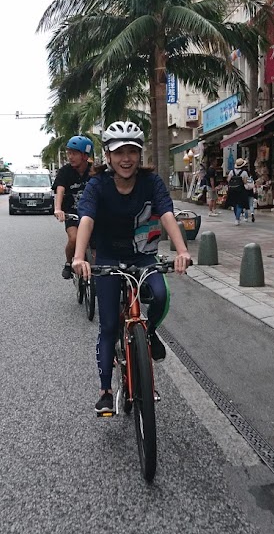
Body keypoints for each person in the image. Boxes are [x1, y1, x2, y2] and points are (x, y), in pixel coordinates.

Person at [72, 121, 192, 416]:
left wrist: (182, 251)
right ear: (108, 157)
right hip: (109, 259)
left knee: (161, 296)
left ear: (140, 155)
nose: (126, 158)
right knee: (110, 325)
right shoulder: (97, 185)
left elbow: (166, 213)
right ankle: (105, 390)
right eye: (119, 152)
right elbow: (86, 219)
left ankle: (148, 334)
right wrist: (79, 257)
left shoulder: (151, 182)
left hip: (143, 256)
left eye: (133, 151)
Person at [53, 134, 95, 279]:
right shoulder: (65, 171)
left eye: (74, 153)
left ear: (85, 155)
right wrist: (58, 209)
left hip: (92, 213)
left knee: (99, 243)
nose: (70, 157)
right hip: (72, 212)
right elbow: (60, 189)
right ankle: (68, 263)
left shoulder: (95, 171)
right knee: (74, 238)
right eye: (69, 153)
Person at [225, 158, 254, 225]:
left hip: (232, 190)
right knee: (240, 205)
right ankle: (237, 219)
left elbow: (228, 180)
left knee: (234, 205)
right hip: (240, 190)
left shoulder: (232, 171)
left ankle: (236, 217)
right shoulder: (244, 173)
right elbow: (245, 182)